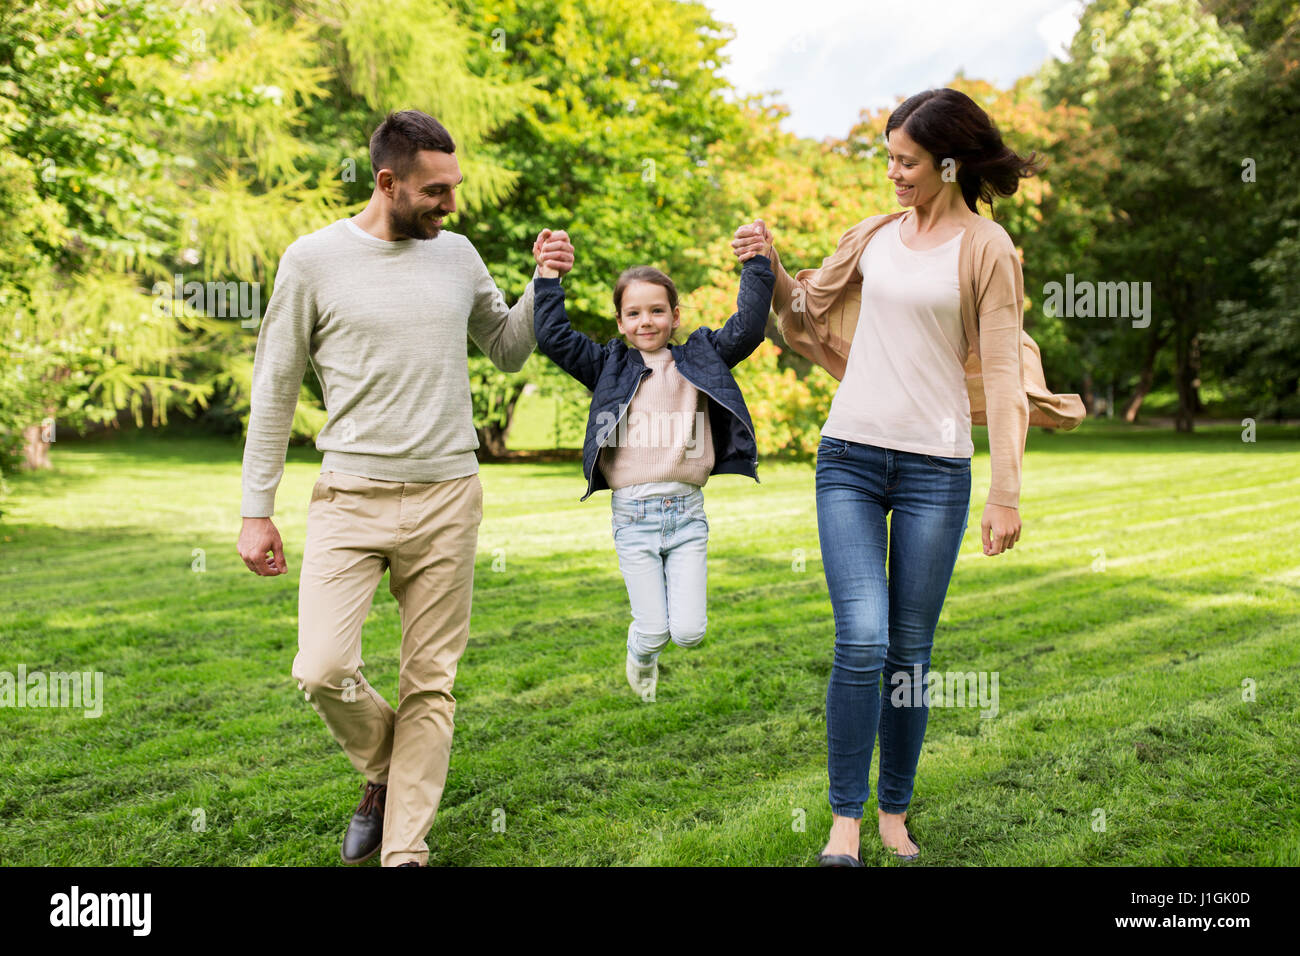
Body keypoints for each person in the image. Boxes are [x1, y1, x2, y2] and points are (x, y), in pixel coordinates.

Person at [732, 88, 1084, 866]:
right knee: (861, 637)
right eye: (888, 158)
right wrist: (774, 260)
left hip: (936, 470)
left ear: (950, 163)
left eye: (907, 161)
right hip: (850, 456)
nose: (892, 173)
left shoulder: (988, 249)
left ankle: (895, 810)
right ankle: (844, 825)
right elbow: (805, 307)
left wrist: (1006, 491)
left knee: (910, 653)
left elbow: (999, 369)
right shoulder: (877, 236)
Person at [236, 109, 575, 867]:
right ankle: (389, 771)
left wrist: (542, 281)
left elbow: (510, 348)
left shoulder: (456, 256)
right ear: (386, 182)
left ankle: (405, 852)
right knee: (321, 668)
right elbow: (275, 390)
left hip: (449, 495)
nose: (450, 204)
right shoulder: (312, 261)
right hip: (349, 495)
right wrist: (256, 511)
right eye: (434, 191)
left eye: (453, 188)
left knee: (430, 681)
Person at [532, 247, 774, 701]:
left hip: (687, 517)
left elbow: (749, 327)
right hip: (633, 520)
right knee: (654, 632)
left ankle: (656, 643)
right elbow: (553, 338)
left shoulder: (702, 357)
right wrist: (547, 278)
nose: (647, 321)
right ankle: (640, 651)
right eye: (634, 313)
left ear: (675, 315)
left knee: (688, 633)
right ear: (621, 322)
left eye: (657, 311)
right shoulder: (609, 366)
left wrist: (757, 264)